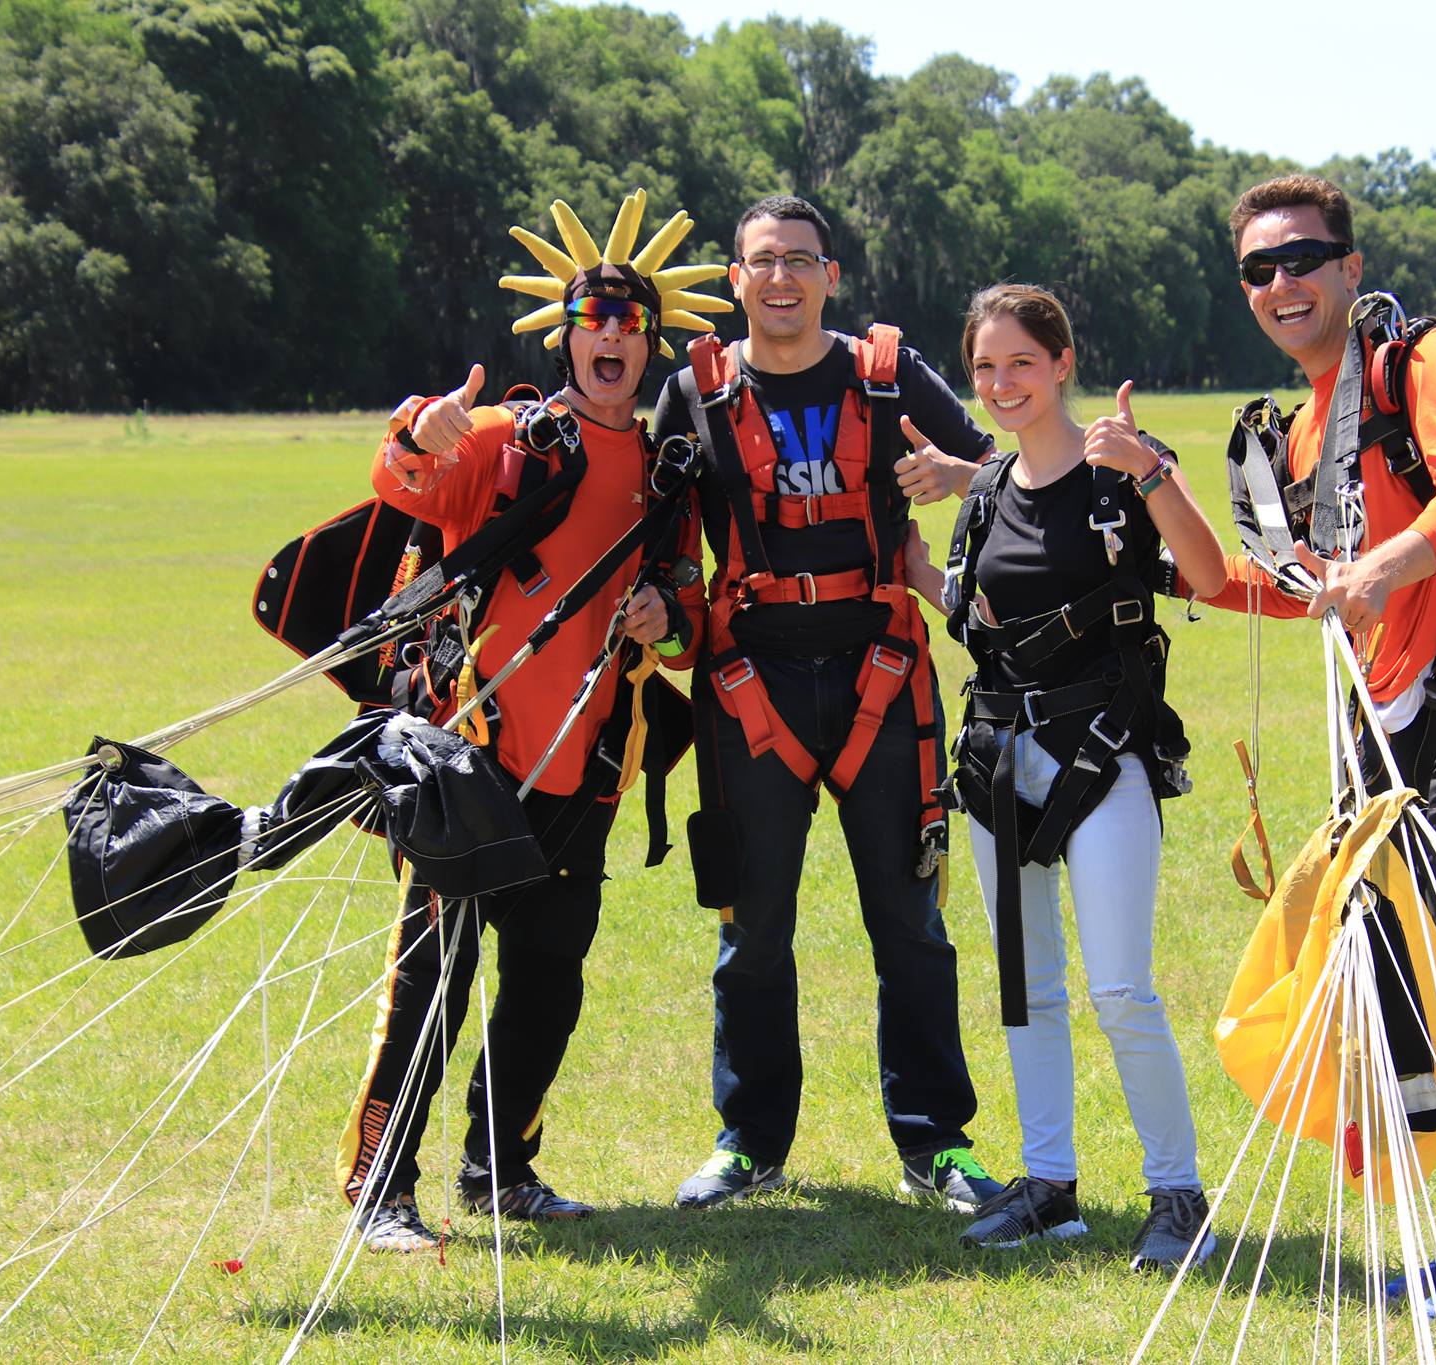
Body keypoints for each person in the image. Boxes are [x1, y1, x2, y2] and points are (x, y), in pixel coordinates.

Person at [1185, 173, 1436, 1322]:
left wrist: (1379, 567)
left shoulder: (1431, 363)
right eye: (1257, 268)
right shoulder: (1307, 424)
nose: (1281, 282)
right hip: (1391, 720)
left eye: (1301, 258)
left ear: (1349, 267)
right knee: (1405, 971)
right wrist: (1149, 505)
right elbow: (1287, 584)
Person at [337, 191, 717, 1253]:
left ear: (651, 345)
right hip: (469, 760)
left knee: (547, 983)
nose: (611, 335)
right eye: (593, 317)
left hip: (586, 774)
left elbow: (690, 614)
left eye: (630, 321)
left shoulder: (665, 476)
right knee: (434, 981)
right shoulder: (509, 441)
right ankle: (378, 1189)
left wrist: (665, 612)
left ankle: (500, 1170)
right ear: (566, 334)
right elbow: (403, 482)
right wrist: (420, 429)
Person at [649, 195, 1005, 1212]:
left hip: (878, 679)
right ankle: (749, 1142)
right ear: (735, 279)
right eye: (763, 261)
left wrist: (958, 476)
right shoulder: (694, 392)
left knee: (911, 924)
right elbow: (657, 539)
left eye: (800, 260)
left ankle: (936, 1144)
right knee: (751, 928)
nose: (781, 279)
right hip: (746, 687)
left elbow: (1004, 475)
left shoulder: (889, 378)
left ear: (830, 277)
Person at [906, 284, 1228, 1269]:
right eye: (985, 367)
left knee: (1121, 989)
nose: (1002, 383)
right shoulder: (987, 491)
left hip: (1103, 759)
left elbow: (1208, 574)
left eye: (1021, 363)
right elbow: (976, 615)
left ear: (1060, 364)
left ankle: (1178, 1196)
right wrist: (904, 560)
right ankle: (1049, 1189)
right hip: (999, 763)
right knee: (1024, 989)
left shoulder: (1117, 471)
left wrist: (1151, 469)